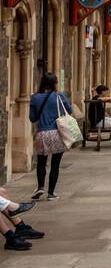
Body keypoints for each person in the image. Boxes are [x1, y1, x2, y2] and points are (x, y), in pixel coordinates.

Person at [29, 72, 73, 200]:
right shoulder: (59, 96)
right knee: (55, 164)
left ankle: (40, 187)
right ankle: (51, 193)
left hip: (42, 133)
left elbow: (32, 118)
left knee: (41, 162)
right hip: (56, 133)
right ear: (54, 83)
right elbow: (69, 111)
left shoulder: (35, 97)